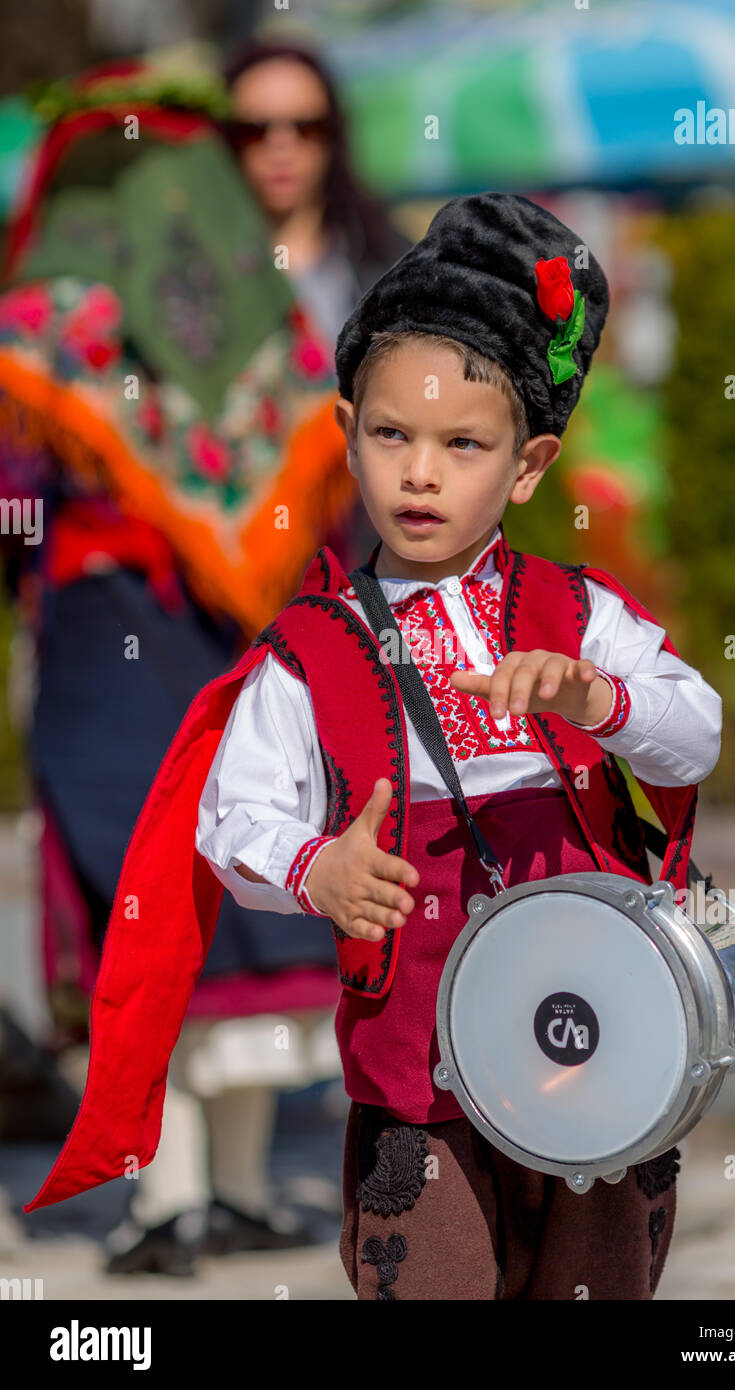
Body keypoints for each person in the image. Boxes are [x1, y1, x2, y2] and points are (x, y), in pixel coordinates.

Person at [22, 193, 721, 1300]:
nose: (419, 472)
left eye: (462, 444)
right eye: (391, 434)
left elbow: (693, 737)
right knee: (432, 1276)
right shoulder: (310, 650)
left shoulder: (581, 616)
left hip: (595, 1051)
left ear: (529, 465)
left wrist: (599, 699)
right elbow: (230, 820)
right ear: (345, 433)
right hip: (418, 1076)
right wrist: (317, 868)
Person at [0, 60, 357, 1275]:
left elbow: (13, 488)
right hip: (209, 631)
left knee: (170, 886)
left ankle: (198, 1196)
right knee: (196, 881)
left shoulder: (56, 318)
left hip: (130, 634)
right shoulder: (257, 314)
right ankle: (201, 1192)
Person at [222, 38, 413, 572]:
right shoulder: (186, 278)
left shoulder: (392, 265)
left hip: (364, 556)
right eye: (254, 130)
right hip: (231, 564)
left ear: (333, 137)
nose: (281, 146)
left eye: (305, 127)